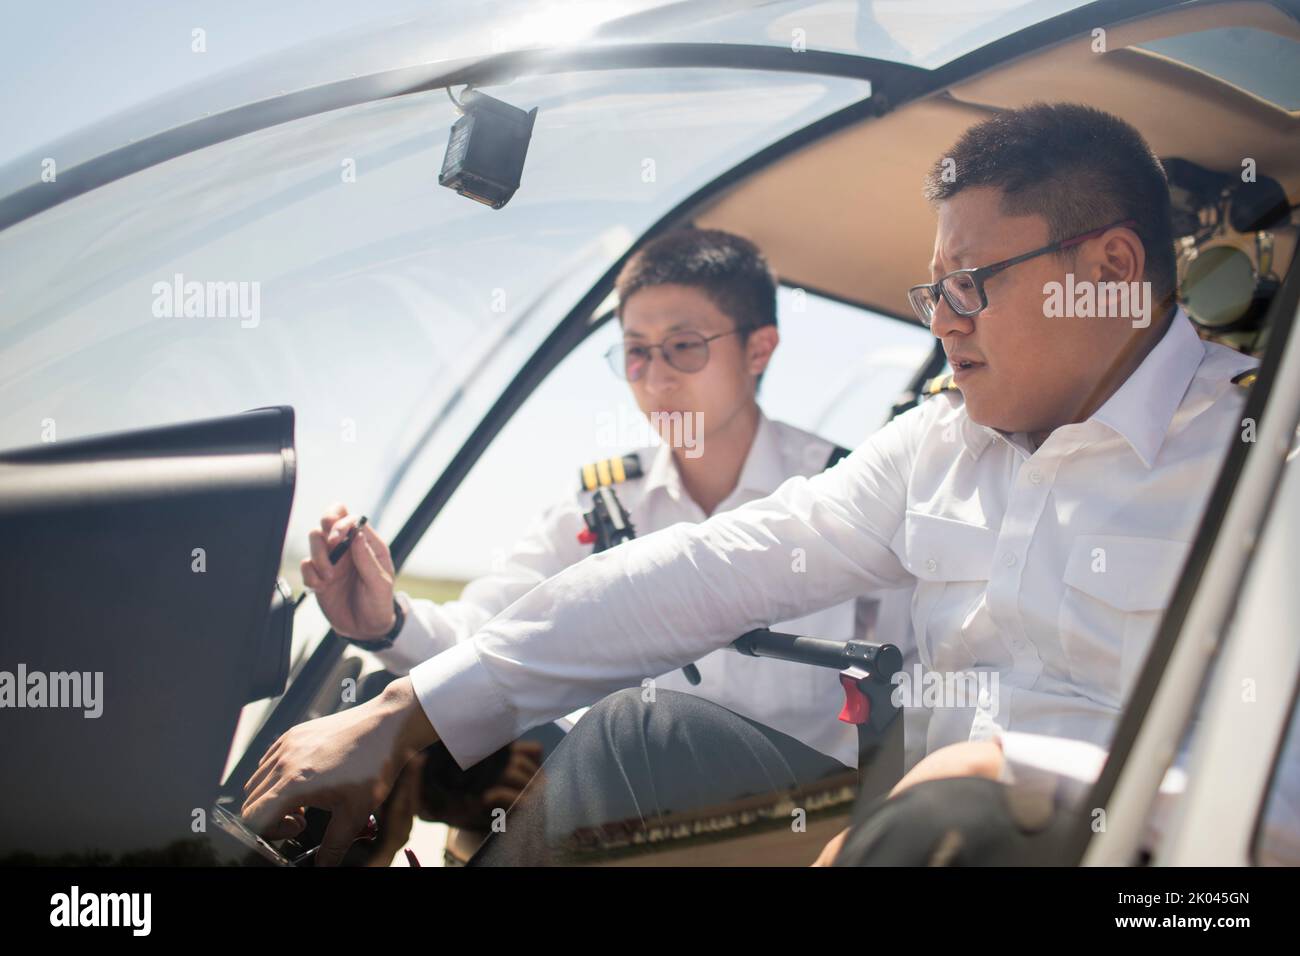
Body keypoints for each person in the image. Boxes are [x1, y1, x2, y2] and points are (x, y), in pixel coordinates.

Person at [243, 102, 1257, 866]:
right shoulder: (941, 449)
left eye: (968, 284)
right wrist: (411, 704)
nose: (941, 321)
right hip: (890, 838)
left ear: (1113, 266)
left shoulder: (1264, 462)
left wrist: (1005, 781)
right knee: (637, 737)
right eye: (930, 291)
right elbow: (707, 569)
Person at [294, 228, 888, 862]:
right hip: (611, 800)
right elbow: (490, 637)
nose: (655, 377)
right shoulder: (602, 500)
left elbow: (911, 689)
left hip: (773, 818)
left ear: (759, 349)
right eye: (636, 352)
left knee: (636, 725)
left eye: (683, 347)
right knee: (352, 703)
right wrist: (385, 621)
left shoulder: (841, 501)